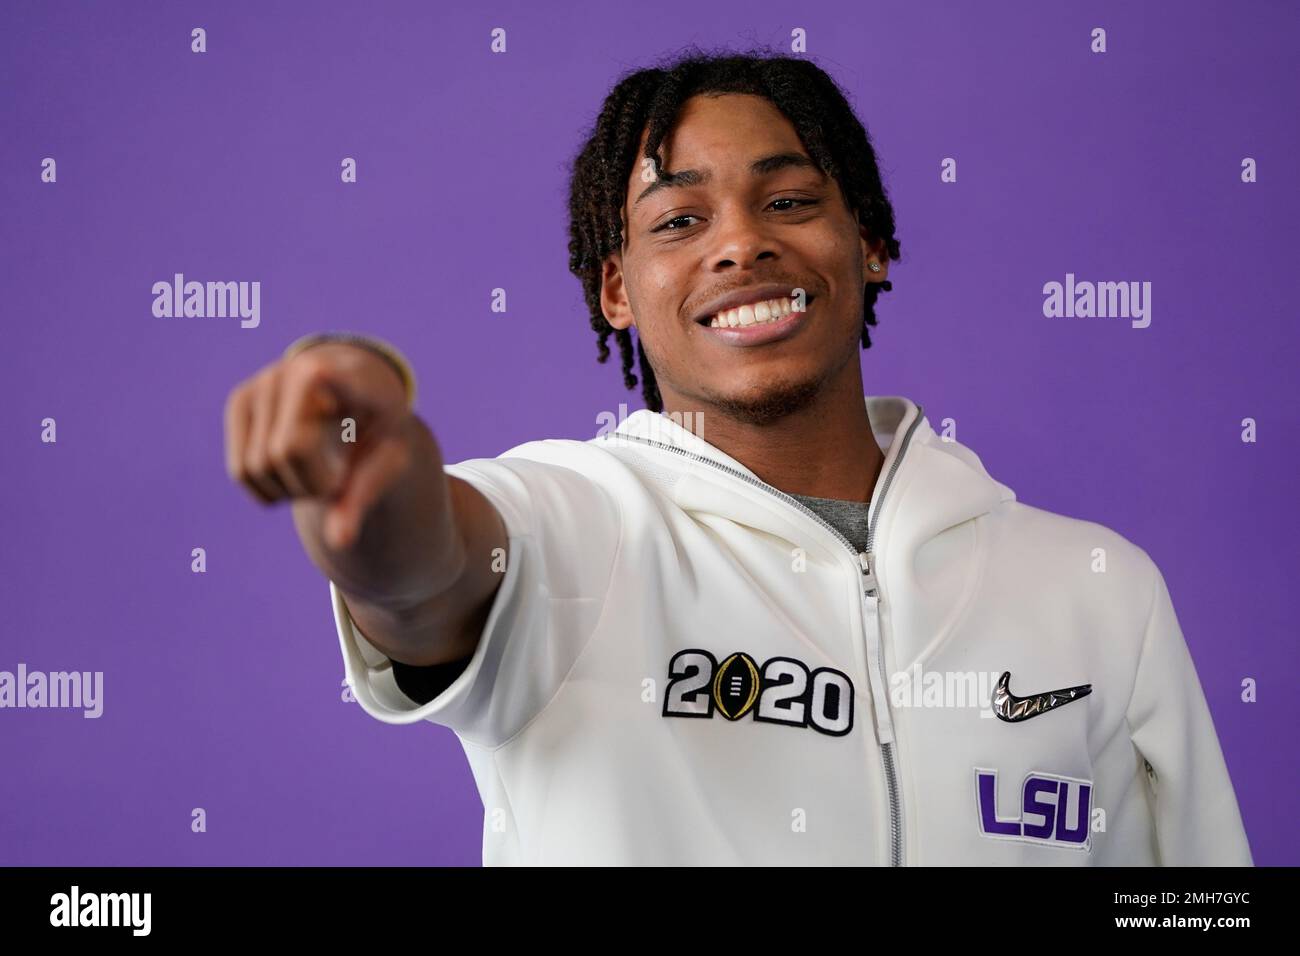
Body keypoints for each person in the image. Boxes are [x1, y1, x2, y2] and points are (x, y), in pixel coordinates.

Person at [223, 49, 1252, 866]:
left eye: (791, 201)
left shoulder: (1094, 586)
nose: (739, 244)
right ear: (614, 291)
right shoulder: (573, 524)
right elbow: (429, 570)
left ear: (870, 243)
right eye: (678, 219)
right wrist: (372, 467)